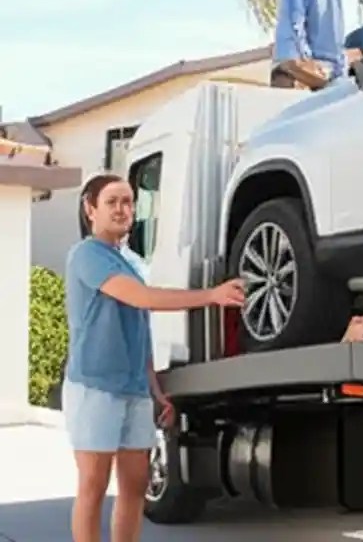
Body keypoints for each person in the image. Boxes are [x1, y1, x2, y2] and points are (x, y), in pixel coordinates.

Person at [63, 173, 245, 542]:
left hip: (134, 390)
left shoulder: (130, 260)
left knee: (135, 487)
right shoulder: (85, 255)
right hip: (94, 389)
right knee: (94, 487)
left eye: (128, 202)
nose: (122, 209)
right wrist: (210, 296)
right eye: (112, 201)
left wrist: (156, 391)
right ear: (90, 208)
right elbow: (141, 299)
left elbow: (139, 331)